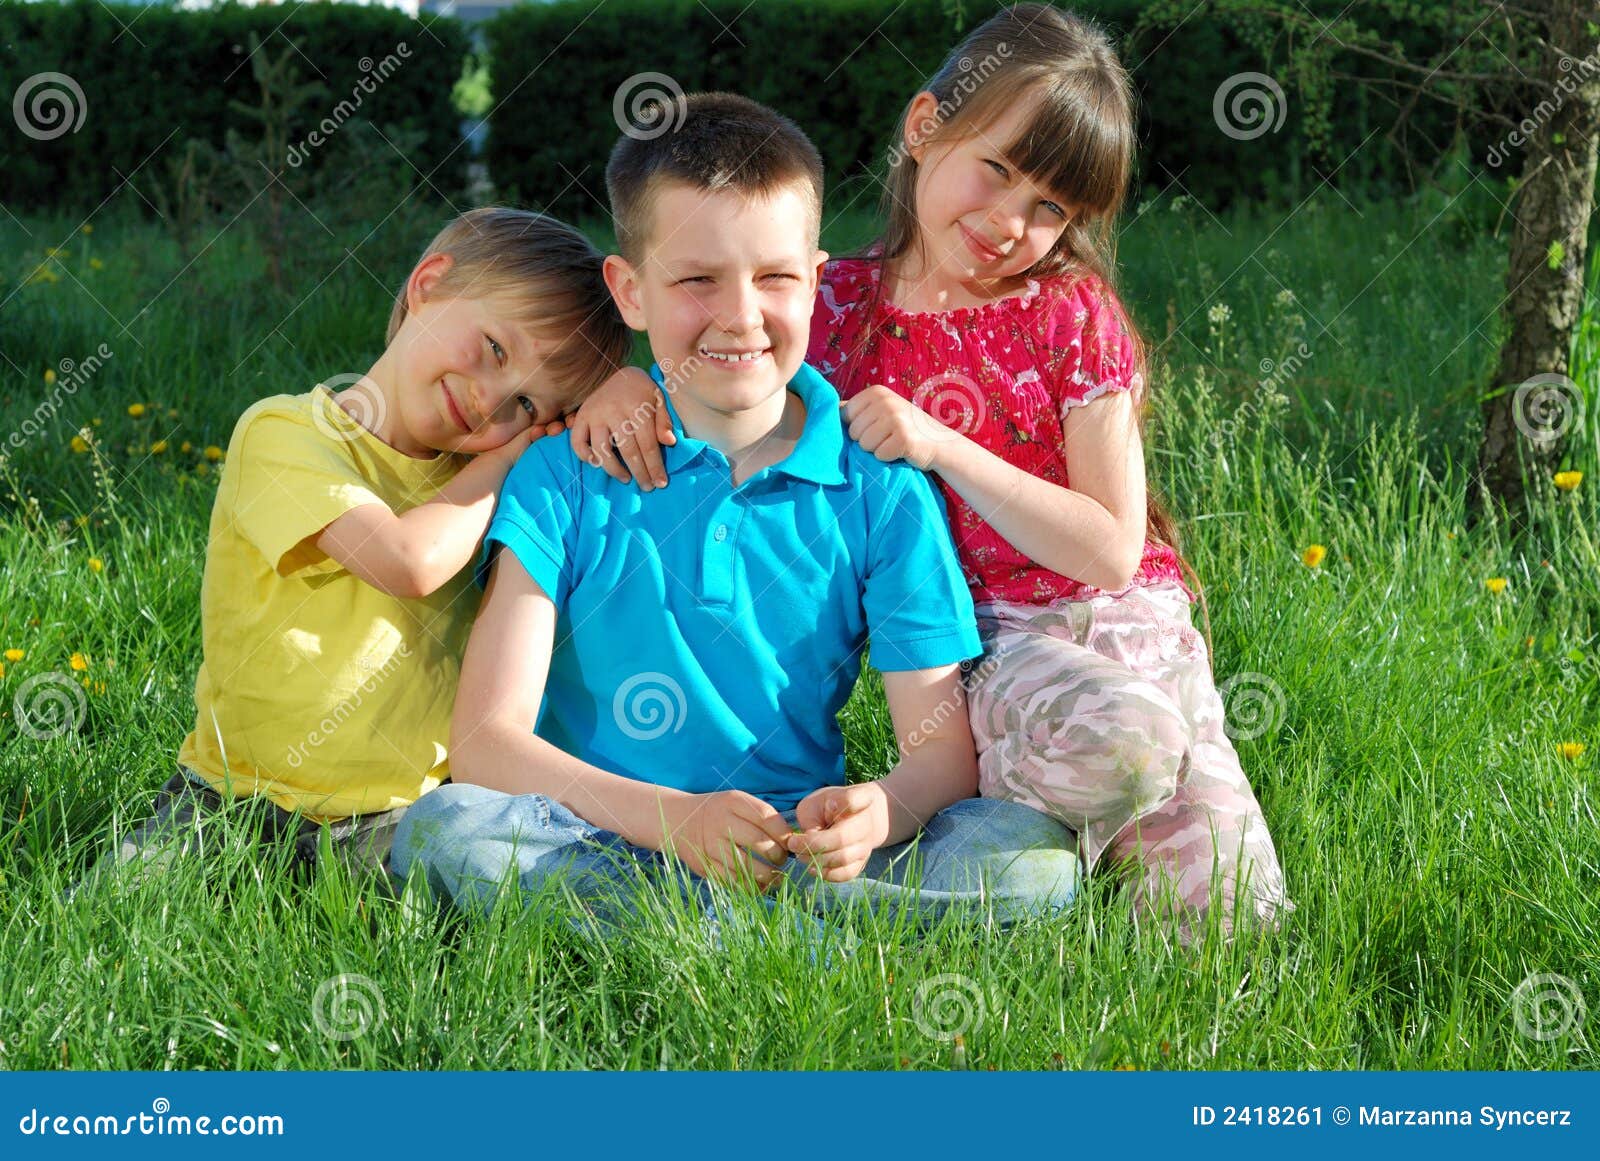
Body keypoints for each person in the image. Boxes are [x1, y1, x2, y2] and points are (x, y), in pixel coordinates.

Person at [567, 6, 1292, 942]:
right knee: (1129, 744)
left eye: (1051, 208)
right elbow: (715, 341)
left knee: (1238, 931)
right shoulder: (830, 306)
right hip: (987, 645)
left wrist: (944, 445)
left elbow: (1112, 550)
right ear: (924, 130)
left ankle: (1051, 825)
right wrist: (623, 377)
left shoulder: (1074, 313)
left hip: (1140, 633)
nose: (1009, 222)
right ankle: (1033, 816)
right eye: (995, 169)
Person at [389, 92, 1080, 937]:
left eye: (776, 277)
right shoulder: (566, 472)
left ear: (817, 280)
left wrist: (880, 811)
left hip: (787, 850)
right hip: (593, 835)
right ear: (630, 291)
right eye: (696, 280)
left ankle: (720, 934)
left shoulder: (881, 486)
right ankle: (786, 941)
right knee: (447, 832)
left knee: (1027, 856)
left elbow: (939, 756)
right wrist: (675, 821)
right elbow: (487, 743)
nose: (741, 315)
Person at [77, 208, 632, 896]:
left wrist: (625, 388)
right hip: (231, 799)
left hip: (398, 814)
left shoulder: (493, 483)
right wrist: (514, 453)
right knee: (108, 910)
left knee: (504, 878)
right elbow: (408, 560)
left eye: (525, 404)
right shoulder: (284, 434)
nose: (491, 400)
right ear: (428, 283)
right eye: (493, 348)